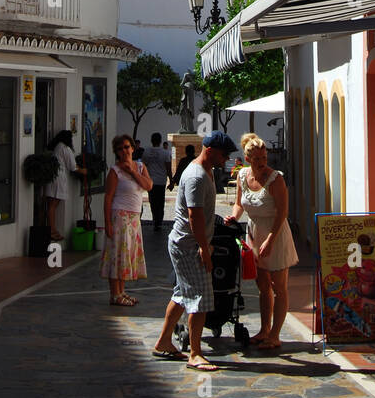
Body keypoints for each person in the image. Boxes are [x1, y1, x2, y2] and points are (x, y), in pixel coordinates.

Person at [152, 131, 236, 370]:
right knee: (200, 298)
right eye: (224, 154)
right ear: (209, 151)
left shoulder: (206, 171)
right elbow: (194, 215)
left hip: (187, 243)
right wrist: (204, 249)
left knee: (181, 294)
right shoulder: (197, 175)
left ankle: (164, 342)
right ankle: (195, 353)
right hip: (188, 245)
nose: (227, 159)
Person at [226, 132, 298, 349]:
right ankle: (264, 330)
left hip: (275, 234)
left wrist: (270, 240)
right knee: (263, 285)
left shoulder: (276, 178)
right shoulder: (242, 176)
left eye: (264, 158)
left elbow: (282, 212)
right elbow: (239, 203)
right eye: (257, 159)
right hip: (254, 231)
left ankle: (275, 335)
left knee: (279, 286)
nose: (261, 163)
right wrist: (234, 217)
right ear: (248, 159)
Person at [100, 135, 151, 306]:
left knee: (127, 255)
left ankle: (121, 291)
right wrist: (107, 222)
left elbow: (148, 185)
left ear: (132, 148)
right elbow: (108, 197)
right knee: (117, 255)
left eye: (127, 147)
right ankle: (115, 294)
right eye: (120, 148)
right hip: (119, 216)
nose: (124, 151)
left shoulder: (140, 166)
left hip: (134, 216)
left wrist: (133, 172)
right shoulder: (115, 171)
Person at [44, 129, 86, 242]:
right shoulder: (65, 148)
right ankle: (52, 230)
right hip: (58, 178)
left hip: (53, 177)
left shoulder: (57, 146)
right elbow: (73, 166)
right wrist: (83, 171)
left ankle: (52, 229)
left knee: (51, 204)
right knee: (53, 204)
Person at [142, 132, 173, 232]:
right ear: (160, 141)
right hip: (161, 181)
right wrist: (171, 181)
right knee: (160, 202)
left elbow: (144, 166)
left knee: (153, 201)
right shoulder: (165, 153)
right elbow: (168, 168)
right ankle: (159, 221)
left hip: (150, 180)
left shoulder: (146, 152)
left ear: (152, 141)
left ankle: (155, 219)